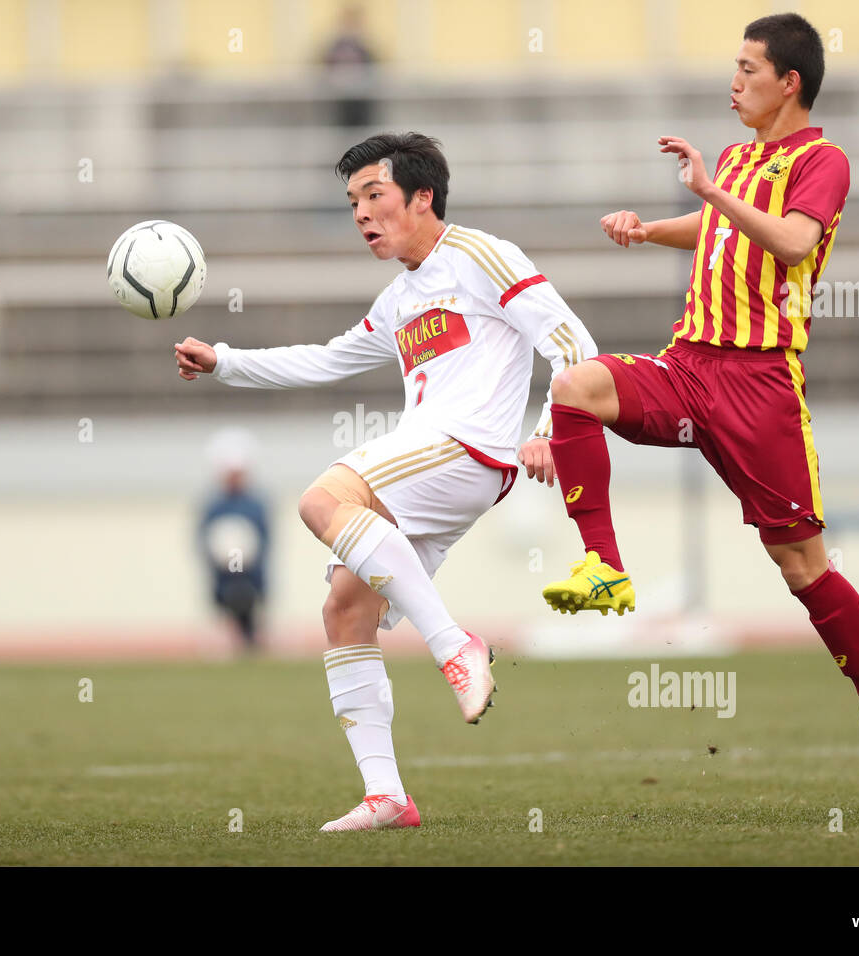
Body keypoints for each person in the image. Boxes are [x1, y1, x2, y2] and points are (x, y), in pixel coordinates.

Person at [536, 13, 859, 811]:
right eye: (733, 66)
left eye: (749, 68)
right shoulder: (743, 159)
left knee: (802, 569)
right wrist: (650, 230)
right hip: (690, 364)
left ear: (791, 82)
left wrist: (710, 191)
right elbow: (717, 228)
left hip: (759, 386)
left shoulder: (824, 160)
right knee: (577, 387)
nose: (733, 81)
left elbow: (789, 242)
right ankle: (604, 565)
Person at [175, 132, 596, 831]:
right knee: (345, 609)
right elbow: (326, 360)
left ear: (421, 196)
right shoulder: (401, 297)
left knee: (321, 500)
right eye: (352, 203)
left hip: (468, 449)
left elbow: (573, 342)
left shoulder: (482, 257)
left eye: (375, 195)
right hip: (437, 463)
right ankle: (387, 797)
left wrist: (554, 428)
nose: (362, 214)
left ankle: (455, 646)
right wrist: (225, 362)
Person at [198, 428, 270, 652]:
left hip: (252, 576)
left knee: (248, 606)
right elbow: (204, 539)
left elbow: (265, 541)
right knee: (229, 604)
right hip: (222, 577)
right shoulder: (214, 505)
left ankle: (252, 640)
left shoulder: (255, 504)